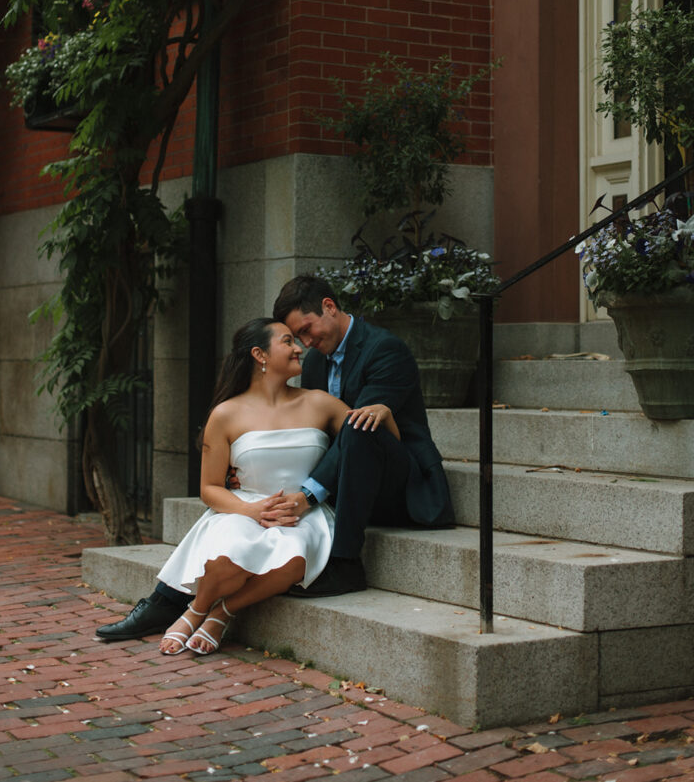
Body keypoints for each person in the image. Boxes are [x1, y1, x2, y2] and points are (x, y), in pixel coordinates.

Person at [96, 315, 400, 648]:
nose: (299, 348)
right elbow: (209, 488)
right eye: (287, 341)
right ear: (260, 355)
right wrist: (252, 511)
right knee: (226, 557)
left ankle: (220, 613)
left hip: (304, 513)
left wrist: (385, 414)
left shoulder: (320, 402)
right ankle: (195, 610)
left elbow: (373, 447)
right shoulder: (225, 414)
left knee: (294, 558)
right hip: (245, 507)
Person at [266, 274, 455, 597]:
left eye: (306, 330)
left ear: (329, 307)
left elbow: (362, 427)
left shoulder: (385, 349)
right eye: (297, 337)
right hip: (353, 483)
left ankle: (346, 564)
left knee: (358, 423)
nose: (305, 343)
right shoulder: (314, 365)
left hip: (402, 484)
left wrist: (308, 495)